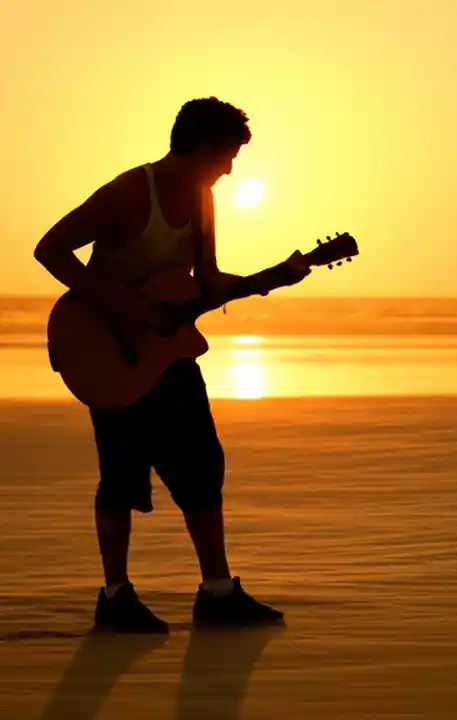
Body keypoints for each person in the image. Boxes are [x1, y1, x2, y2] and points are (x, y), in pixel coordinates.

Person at [34, 97, 309, 633]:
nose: (230, 169)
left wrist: (274, 276)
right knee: (121, 477)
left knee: (204, 466)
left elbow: (206, 280)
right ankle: (115, 599)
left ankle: (218, 592)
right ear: (204, 148)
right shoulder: (130, 192)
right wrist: (123, 305)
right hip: (107, 349)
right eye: (227, 157)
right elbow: (50, 249)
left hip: (169, 349)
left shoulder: (204, 200)